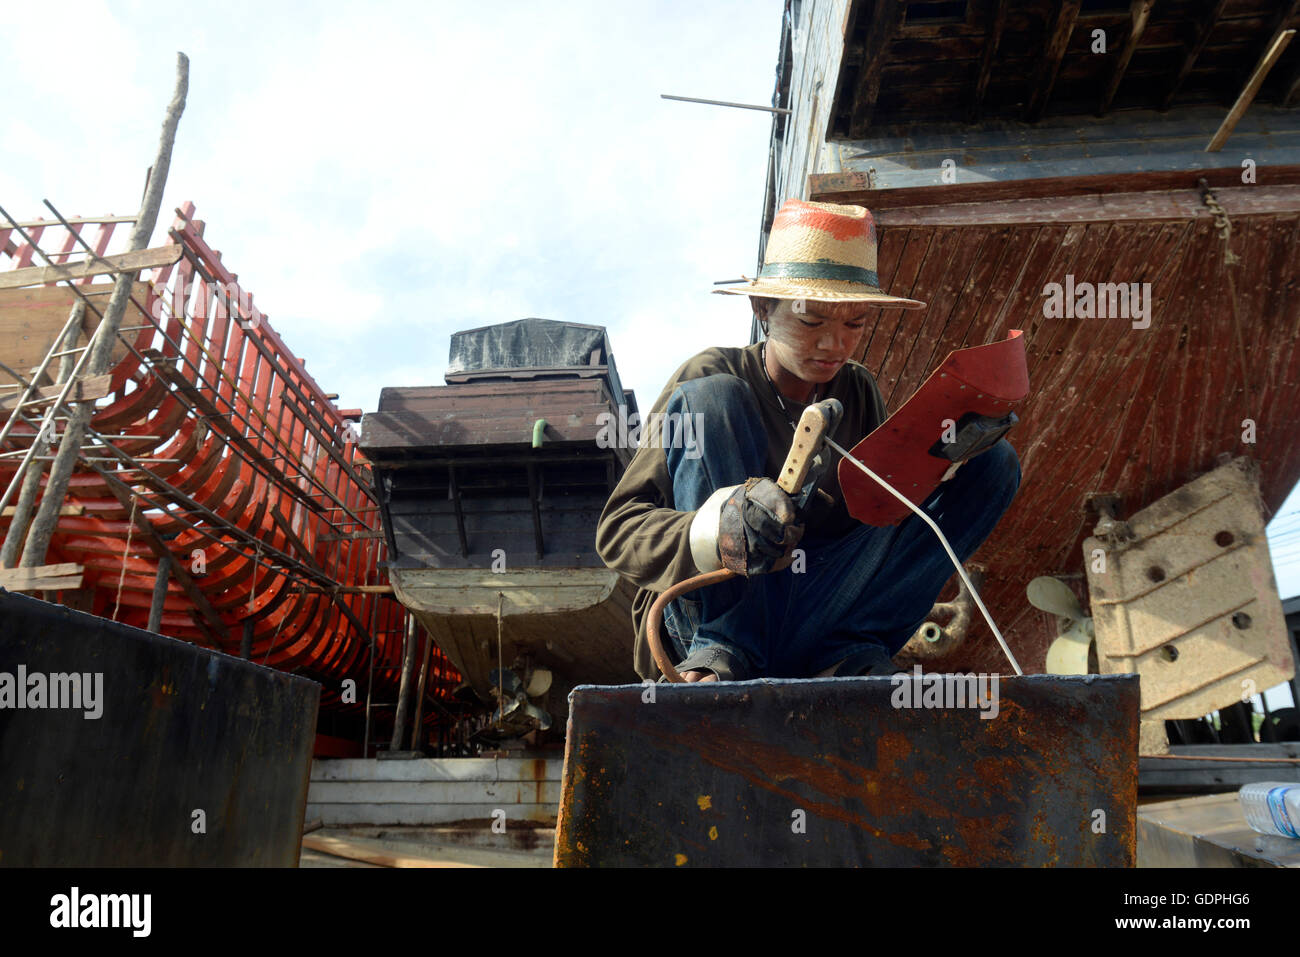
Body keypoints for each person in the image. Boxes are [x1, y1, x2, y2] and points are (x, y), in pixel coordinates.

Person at [595, 199, 1020, 682]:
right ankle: (726, 648)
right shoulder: (710, 375)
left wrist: (942, 465)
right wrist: (719, 529)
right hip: (710, 626)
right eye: (812, 322)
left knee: (995, 465)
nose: (833, 345)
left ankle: (852, 648)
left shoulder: (856, 388)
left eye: (854, 324)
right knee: (715, 400)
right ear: (763, 310)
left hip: (818, 614)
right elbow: (619, 533)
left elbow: (874, 520)